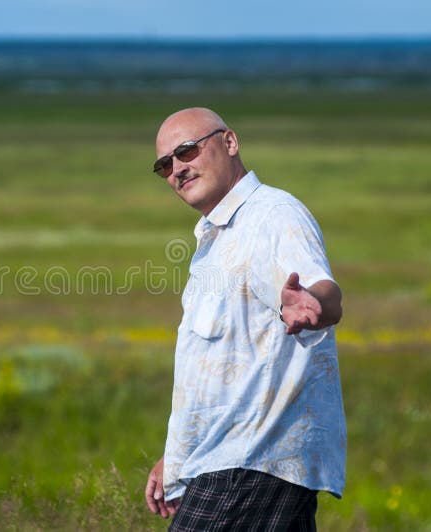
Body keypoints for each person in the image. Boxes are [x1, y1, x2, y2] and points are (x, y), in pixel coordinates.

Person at [144, 108, 346, 531]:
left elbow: (325, 293)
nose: (178, 169)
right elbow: (213, 372)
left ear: (230, 142)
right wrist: (176, 455)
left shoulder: (273, 215)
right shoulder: (212, 241)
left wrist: (312, 306)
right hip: (231, 457)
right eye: (166, 165)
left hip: (252, 455)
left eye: (187, 151)